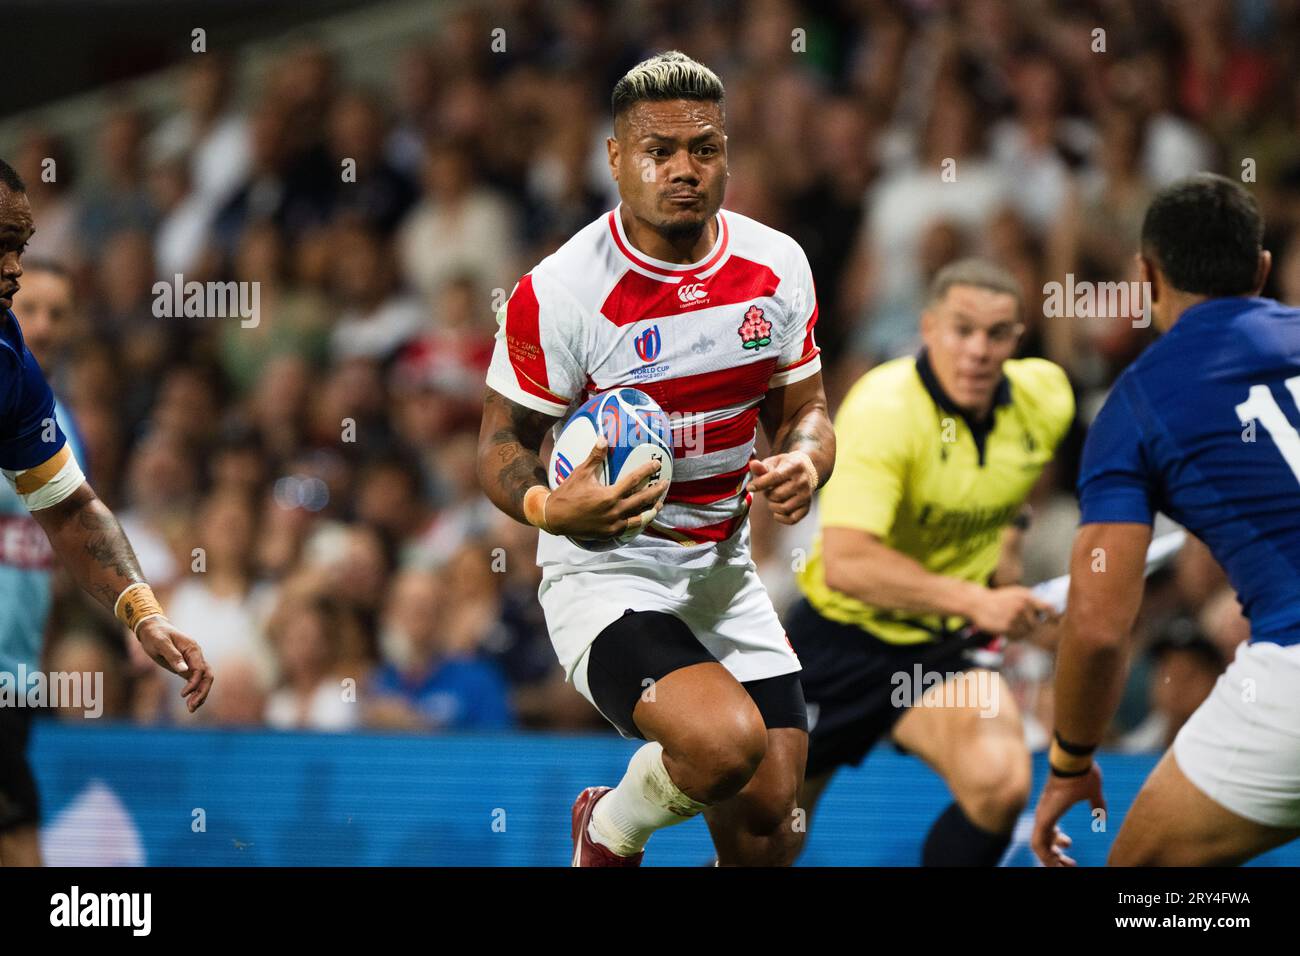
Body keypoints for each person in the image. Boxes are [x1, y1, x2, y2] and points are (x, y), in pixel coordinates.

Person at [476, 51, 834, 866]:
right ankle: (609, 827)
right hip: (607, 574)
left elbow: (807, 413)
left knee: (773, 814)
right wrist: (546, 508)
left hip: (720, 567)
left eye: (703, 149)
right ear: (614, 157)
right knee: (723, 747)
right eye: (658, 150)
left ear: (727, 155)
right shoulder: (561, 291)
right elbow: (499, 444)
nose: (683, 169)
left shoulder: (776, 266)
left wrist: (807, 463)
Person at [1031, 173, 1300, 866]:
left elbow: (1095, 627)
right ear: (1263, 270)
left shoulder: (1135, 407)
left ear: (1145, 275)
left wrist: (1069, 761)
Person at [788, 258, 1072, 865]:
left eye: (997, 334)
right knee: (769, 838)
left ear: (1017, 341)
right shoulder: (884, 410)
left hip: (938, 649)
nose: (978, 350)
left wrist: (1009, 568)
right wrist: (979, 601)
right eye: (961, 330)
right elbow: (847, 563)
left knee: (1001, 782)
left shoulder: (1046, 399)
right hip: (838, 641)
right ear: (929, 328)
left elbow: (1006, 491)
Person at [0, 159, 213, 867]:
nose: (12, 268)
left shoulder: (14, 374)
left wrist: (140, 609)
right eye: (0, 244)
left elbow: (69, 510)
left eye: (21, 247)